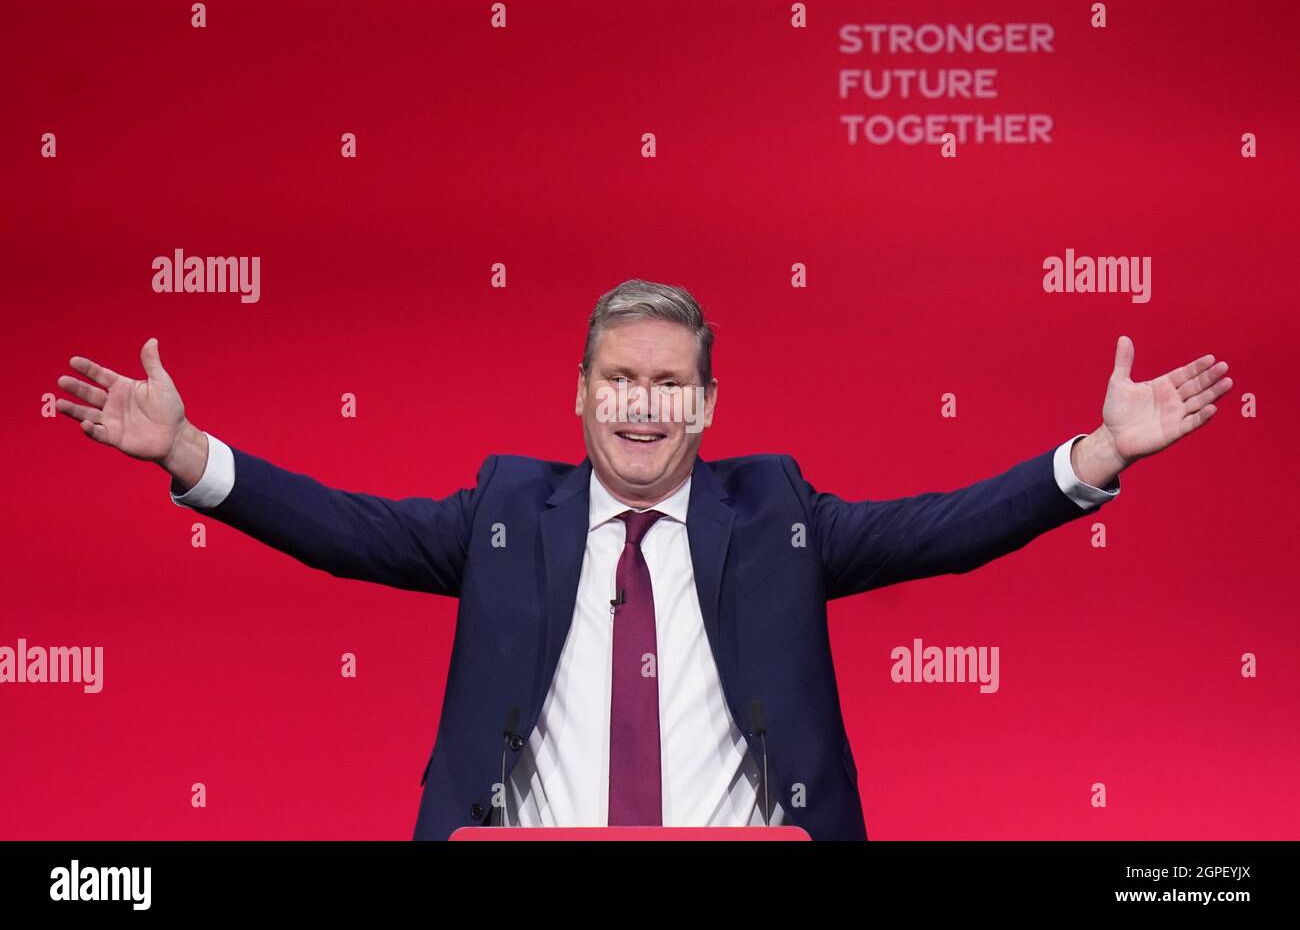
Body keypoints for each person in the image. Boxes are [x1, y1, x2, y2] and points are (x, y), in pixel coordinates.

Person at [53, 279, 1231, 839]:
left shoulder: (774, 510)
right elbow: (348, 528)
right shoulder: (509, 507)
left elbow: (941, 527)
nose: (640, 404)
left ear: (707, 402)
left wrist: (1092, 454)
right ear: (579, 395)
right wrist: (191, 454)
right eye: (619, 378)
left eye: (668, 382)